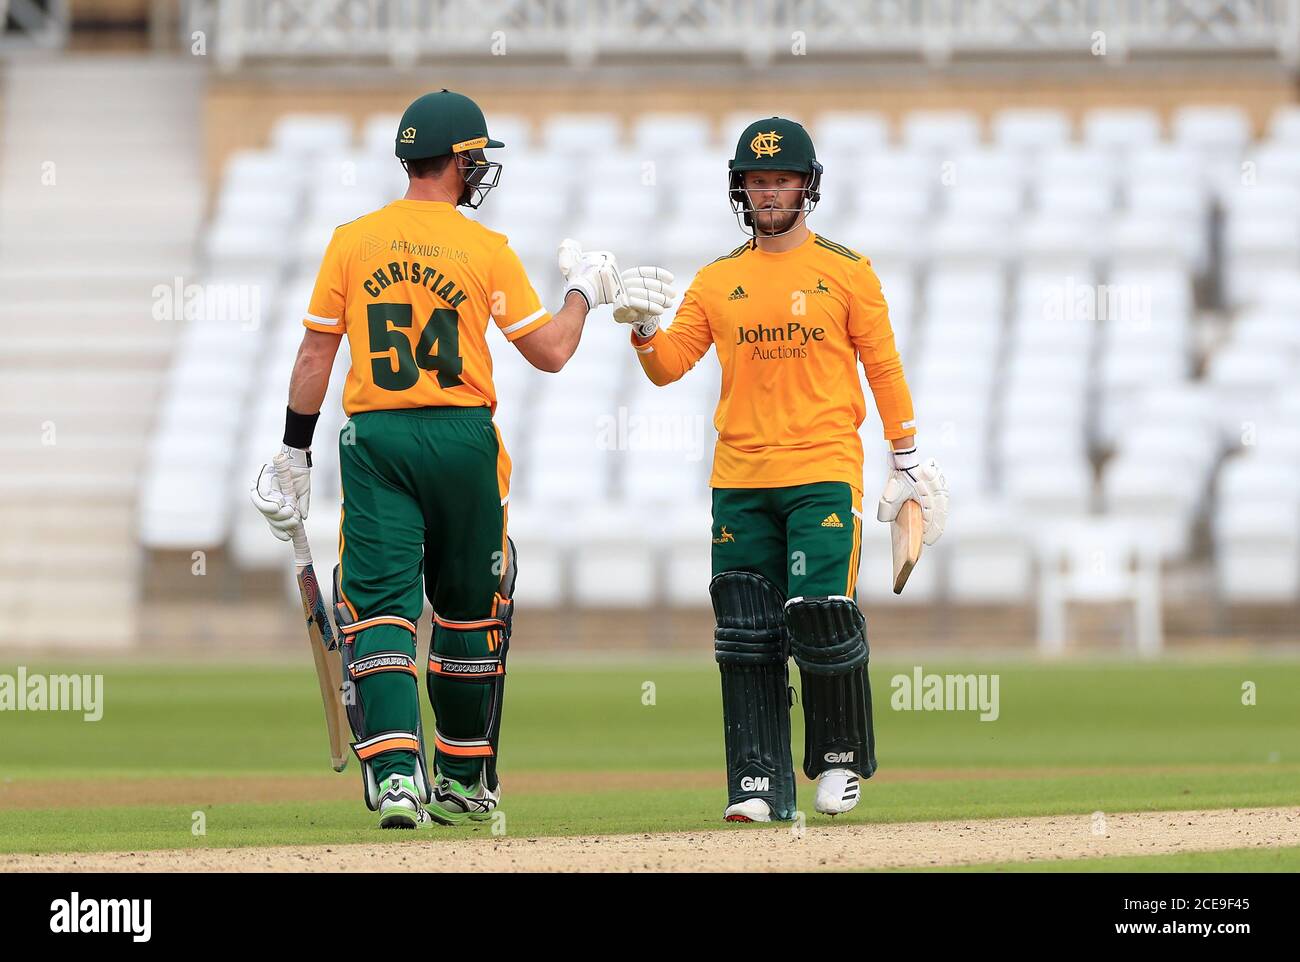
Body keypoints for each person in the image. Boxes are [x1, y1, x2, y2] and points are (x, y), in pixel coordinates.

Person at [250, 90, 674, 828]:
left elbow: (318, 351)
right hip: (463, 441)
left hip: (377, 442)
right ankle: (465, 778)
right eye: (476, 158)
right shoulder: (485, 249)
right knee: (472, 612)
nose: (482, 170)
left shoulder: (353, 239)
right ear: (457, 161)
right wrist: (585, 291)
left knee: (379, 610)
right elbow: (552, 353)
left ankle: (395, 780)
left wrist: (294, 450)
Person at [620, 117, 949, 821]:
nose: (768, 192)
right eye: (755, 180)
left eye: (780, 179)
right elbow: (668, 367)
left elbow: (883, 368)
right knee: (747, 633)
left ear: (807, 186)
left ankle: (838, 762)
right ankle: (758, 785)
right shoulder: (717, 279)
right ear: (740, 189)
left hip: (822, 470)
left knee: (820, 615)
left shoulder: (849, 271)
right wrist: (644, 330)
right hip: (738, 480)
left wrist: (909, 460)